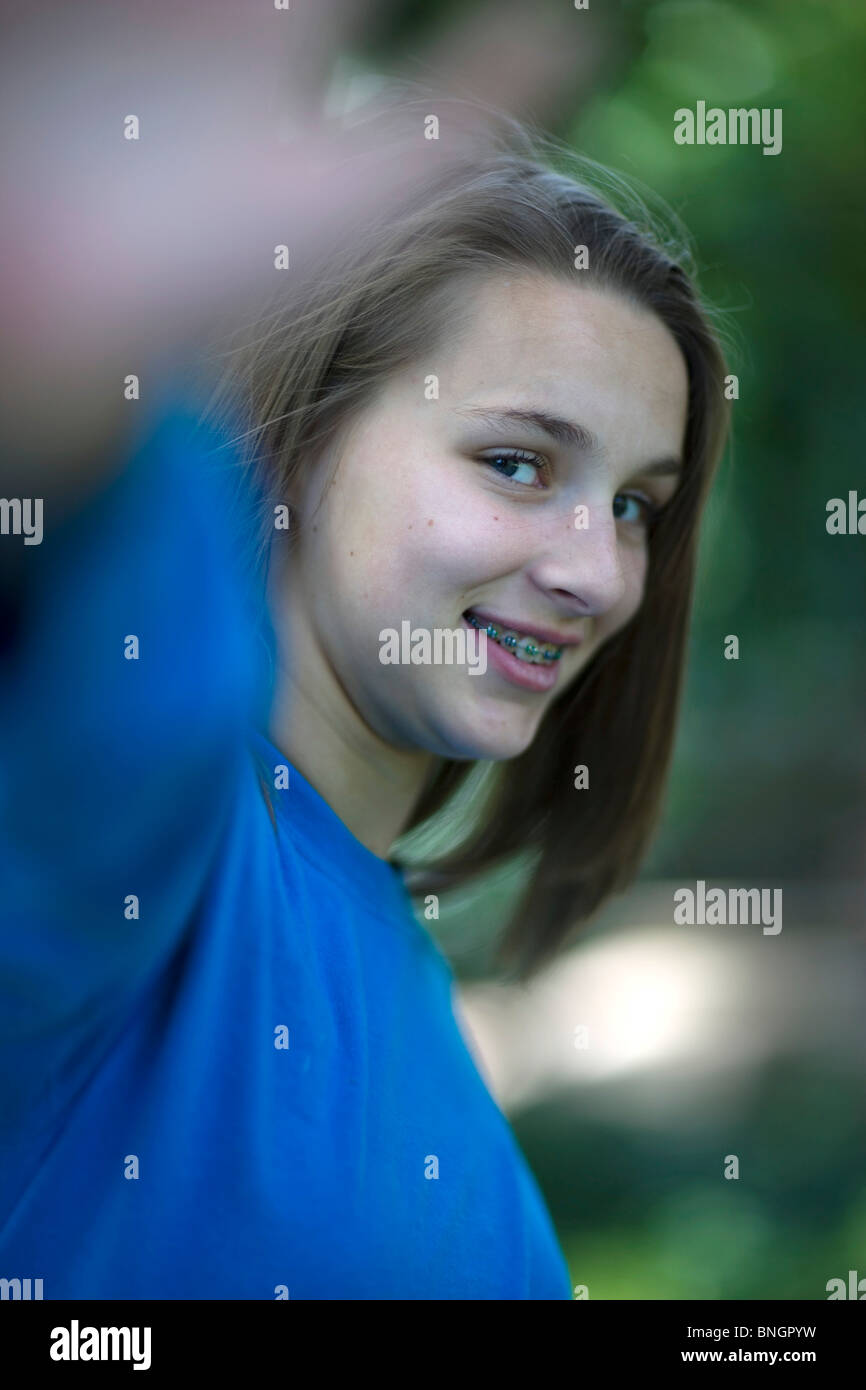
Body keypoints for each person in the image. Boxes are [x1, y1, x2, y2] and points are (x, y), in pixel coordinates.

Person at [0, 114, 730, 1299]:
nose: (596, 574)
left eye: (636, 505)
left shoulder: (399, 978)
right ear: (297, 440)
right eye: (516, 463)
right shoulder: (140, 849)